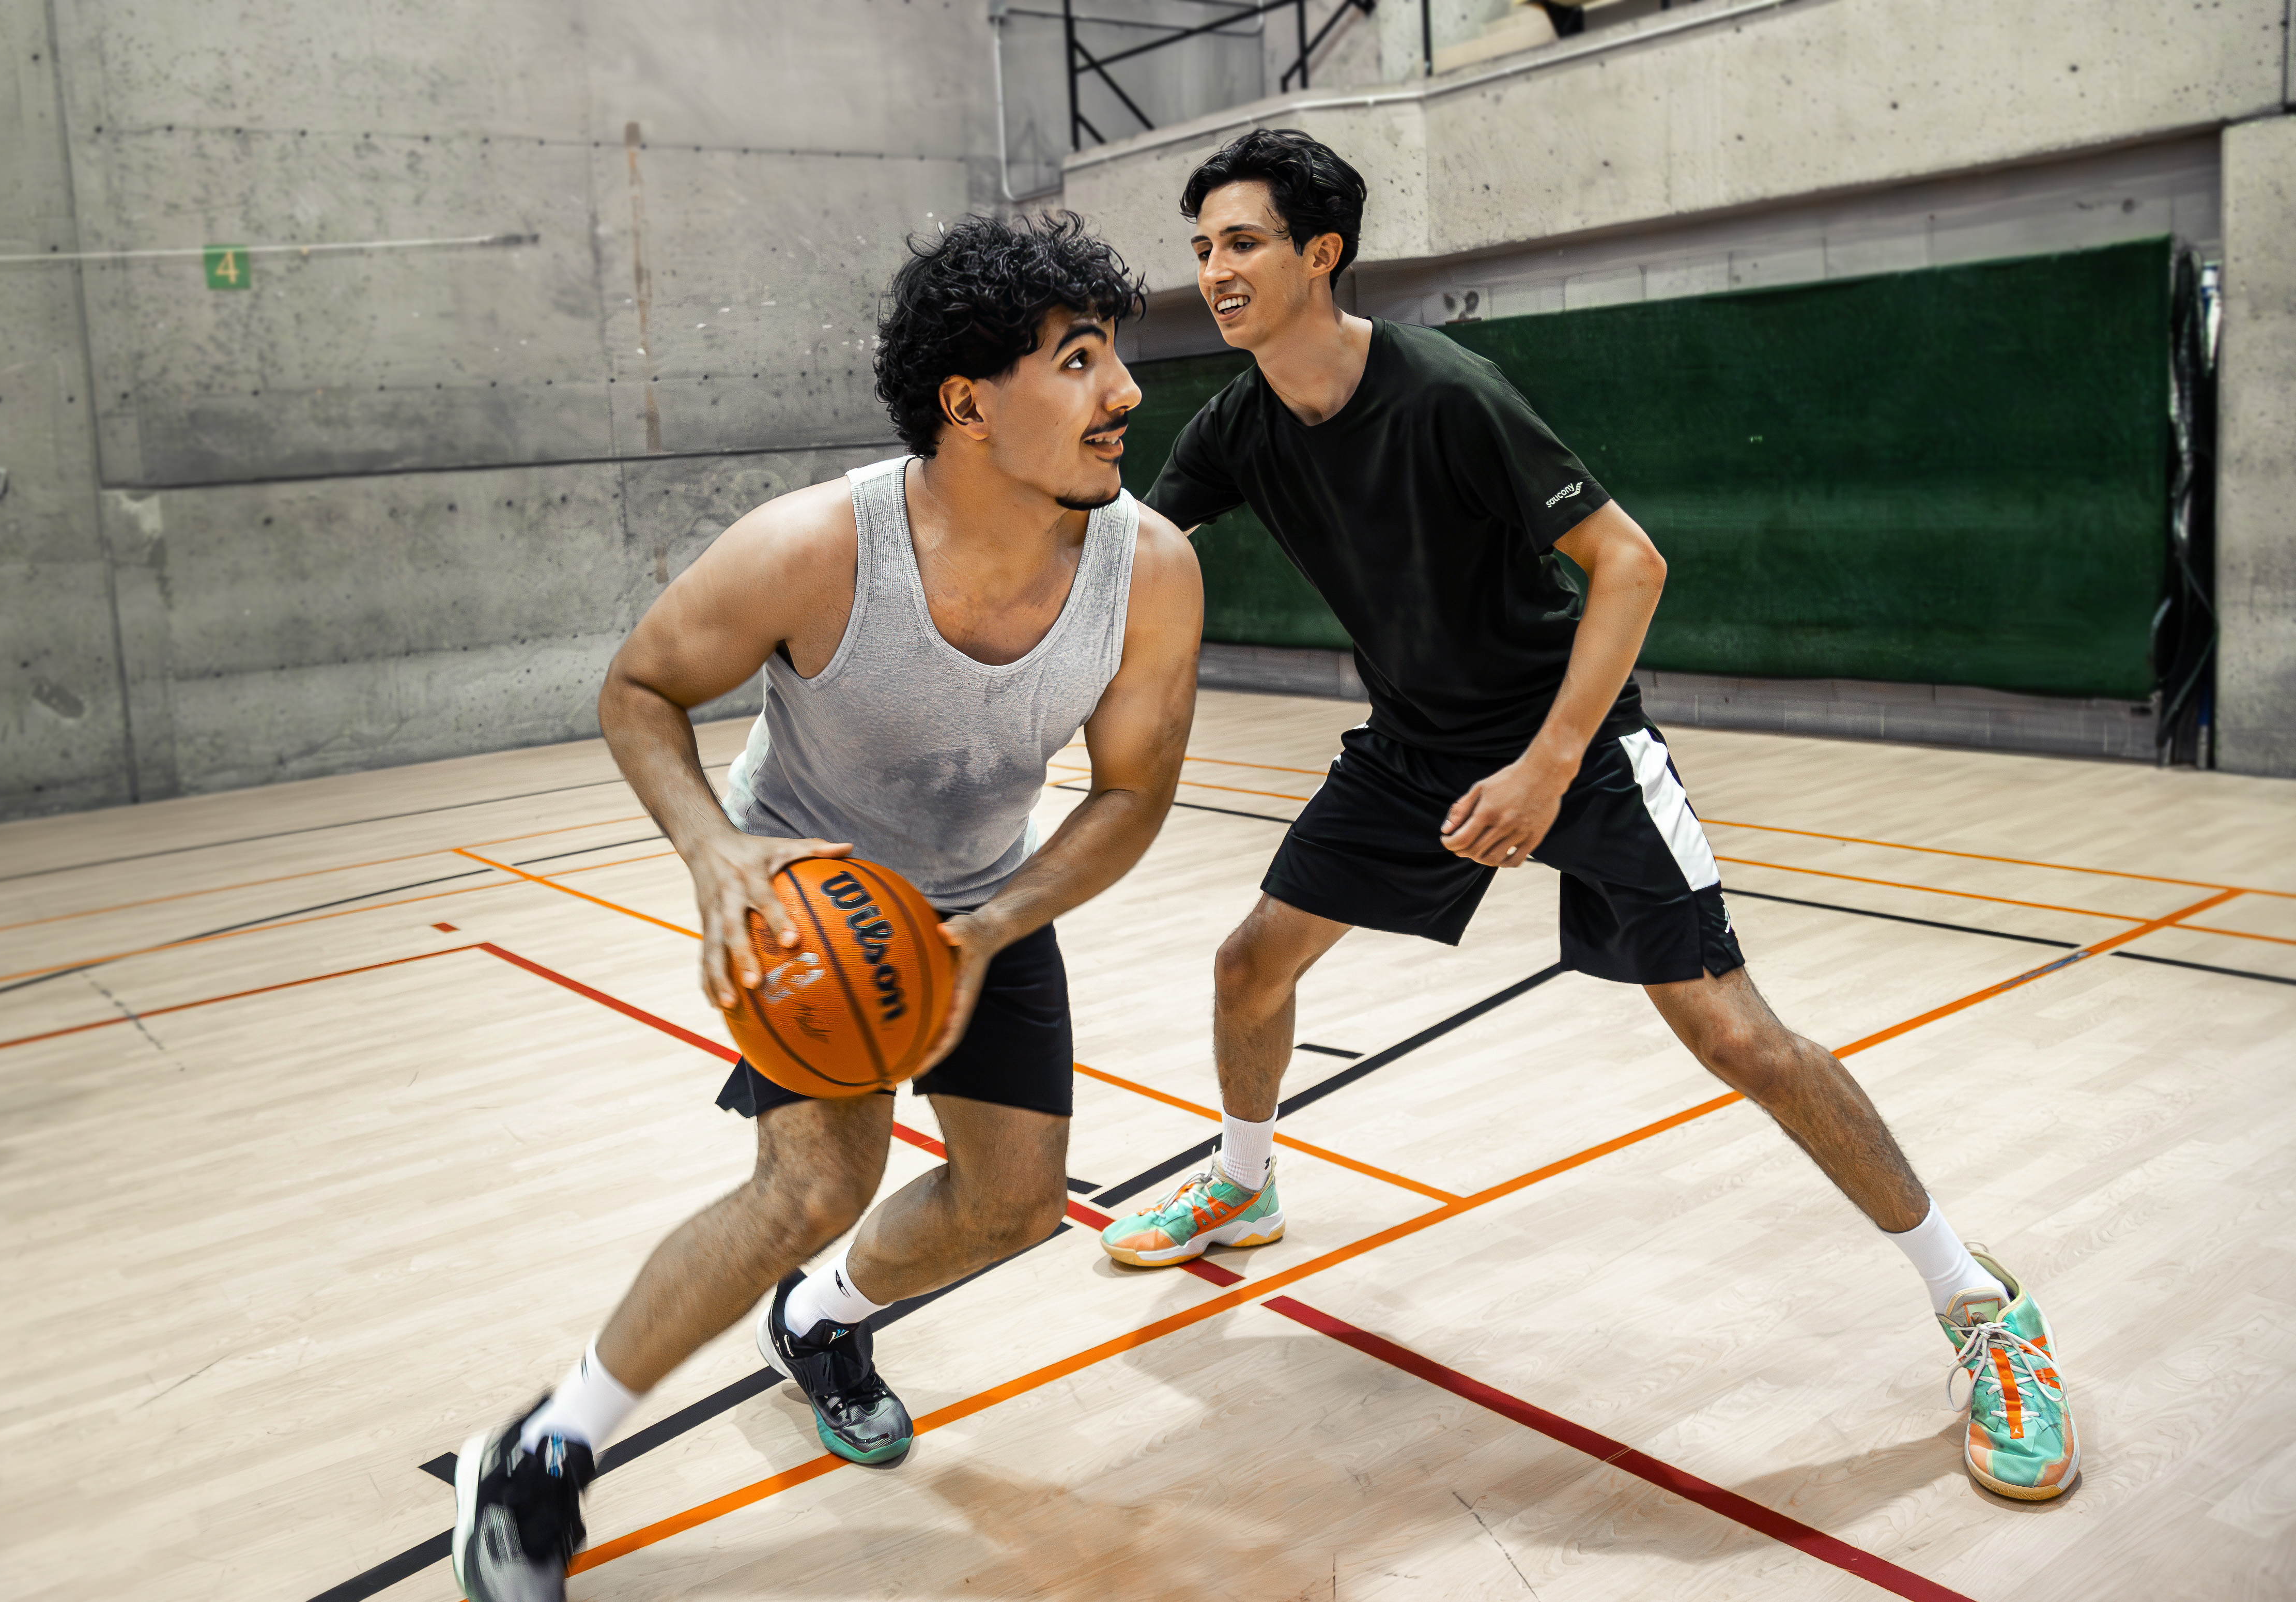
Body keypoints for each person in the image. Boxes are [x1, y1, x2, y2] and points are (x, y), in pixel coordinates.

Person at [1097, 129, 2076, 1504]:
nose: (1214, 273)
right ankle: (1244, 1181)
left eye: (1242, 243)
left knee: (1733, 1031)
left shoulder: (1446, 392)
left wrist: (1553, 763)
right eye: (1202, 249)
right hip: (1413, 747)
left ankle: (1983, 1309)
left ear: (1322, 253)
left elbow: (1631, 562)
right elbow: (1137, 558)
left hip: (1578, 739)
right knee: (1250, 964)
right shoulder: (1239, 422)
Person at [452, 213, 1204, 1601]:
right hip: (815, 906)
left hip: (987, 901)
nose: (1126, 395)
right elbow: (639, 687)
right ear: (969, 404)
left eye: (1117, 358)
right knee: (811, 1184)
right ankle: (543, 1451)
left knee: (1019, 1206)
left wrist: (989, 924)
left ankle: (821, 1323)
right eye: (1082, 361)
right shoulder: (814, 548)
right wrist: (710, 851)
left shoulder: (1150, 569)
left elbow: (1132, 792)